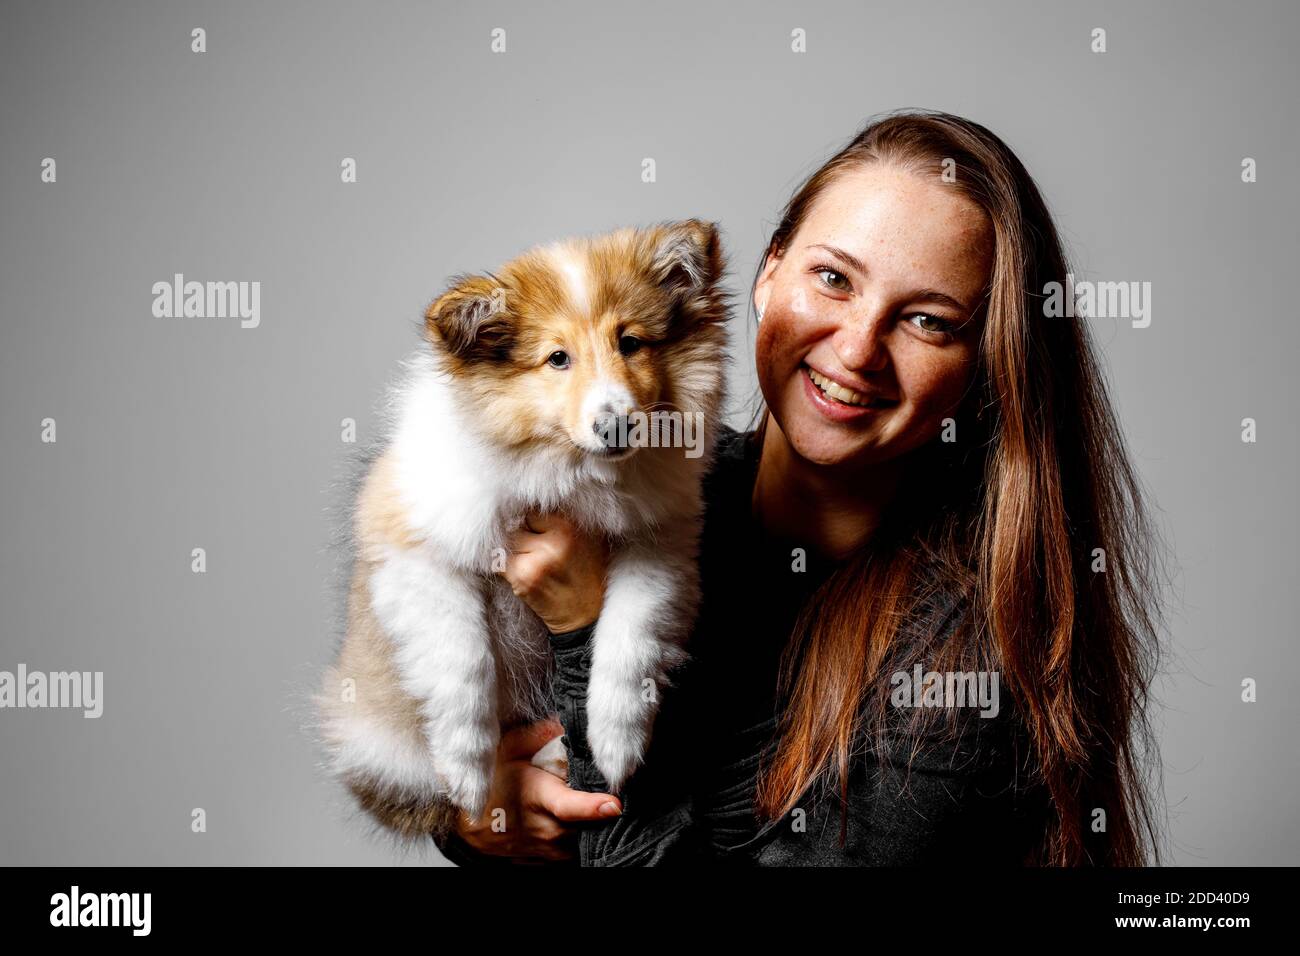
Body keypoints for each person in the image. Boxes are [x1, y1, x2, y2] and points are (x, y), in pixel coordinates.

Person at [414, 110, 1168, 865]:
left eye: (928, 321)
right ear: (769, 274)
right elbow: (491, 754)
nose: (859, 348)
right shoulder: (635, 500)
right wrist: (477, 815)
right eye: (833, 279)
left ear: (985, 365)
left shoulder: (968, 654)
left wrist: (584, 631)